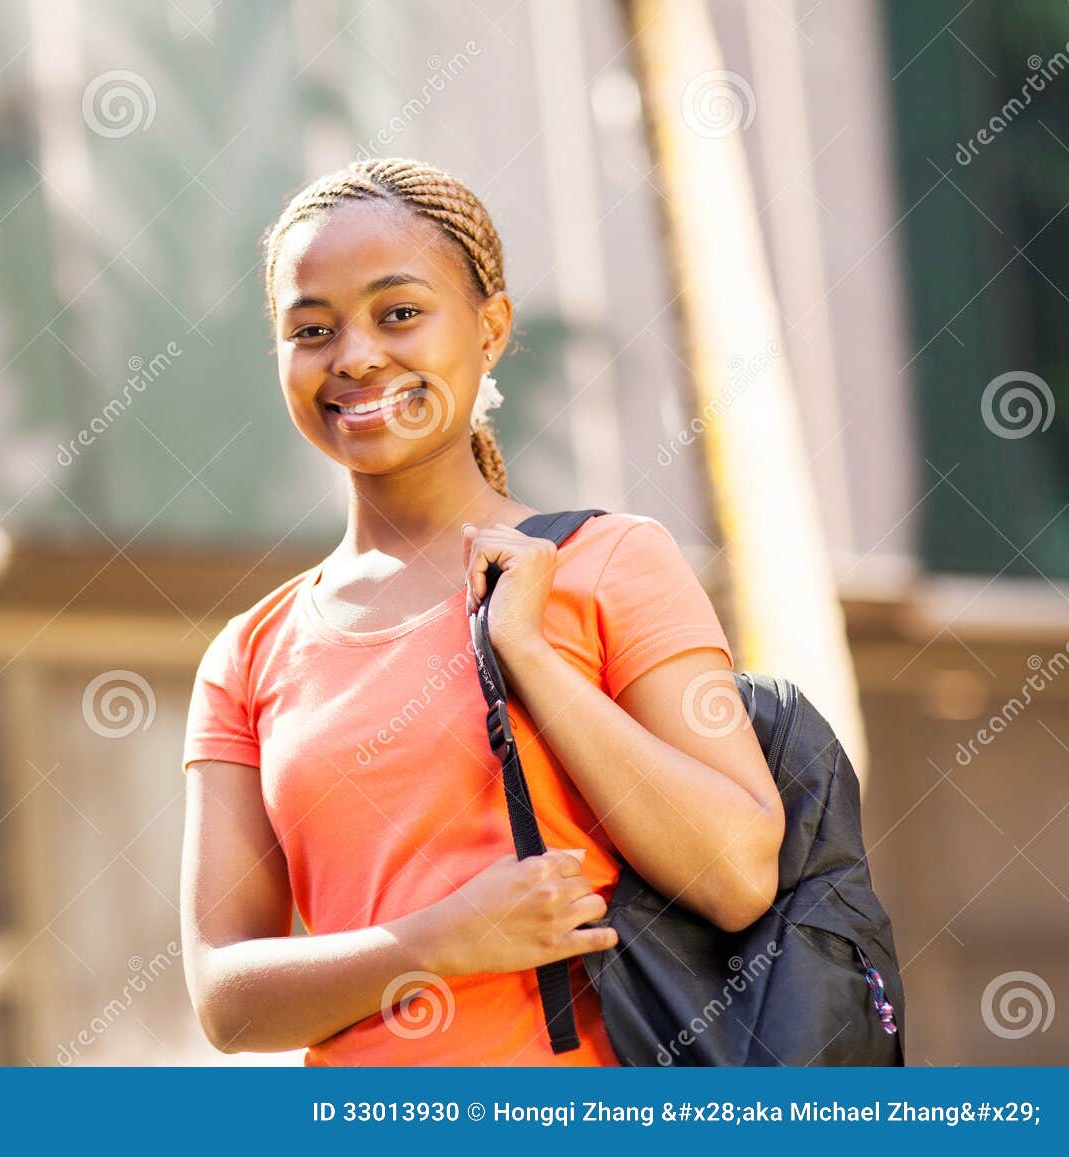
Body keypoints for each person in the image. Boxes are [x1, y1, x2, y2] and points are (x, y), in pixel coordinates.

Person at [179, 157, 783, 1066]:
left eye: (399, 313)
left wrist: (529, 655)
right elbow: (226, 1000)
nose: (355, 356)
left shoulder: (610, 562)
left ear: (491, 327)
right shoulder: (250, 654)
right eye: (312, 328)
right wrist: (440, 940)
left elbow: (736, 873)